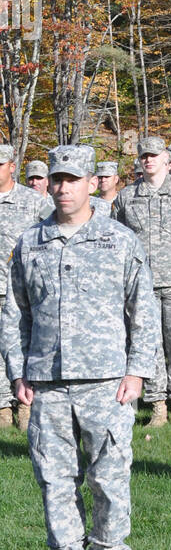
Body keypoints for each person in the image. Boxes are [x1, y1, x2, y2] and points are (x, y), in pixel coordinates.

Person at [0, 144, 159, 550]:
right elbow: (15, 314)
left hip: (106, 381)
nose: (63, 187)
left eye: (73, 179)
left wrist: (137, 371)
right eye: (57, 179)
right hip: (46, 381)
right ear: (48, 183)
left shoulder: (119, 240)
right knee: (54, 477)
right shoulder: (30, 243)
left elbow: (142, 310)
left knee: (109, 477)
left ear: (92, 183)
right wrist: (17, 372)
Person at [112, 136, 171, 427]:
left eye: (154, 155)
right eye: (144, 156)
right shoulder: (126, 198)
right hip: (142, 287)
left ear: (167, 159)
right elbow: (117, 242)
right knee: (149, 346)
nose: (149, 160)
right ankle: (157, 407)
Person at [0, 145, 46, 429]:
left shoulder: (32, 201)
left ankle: (26, 406)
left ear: (12, 166)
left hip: (21, 291)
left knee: (24, 347)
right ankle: (3, 408)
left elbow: (55, 229)